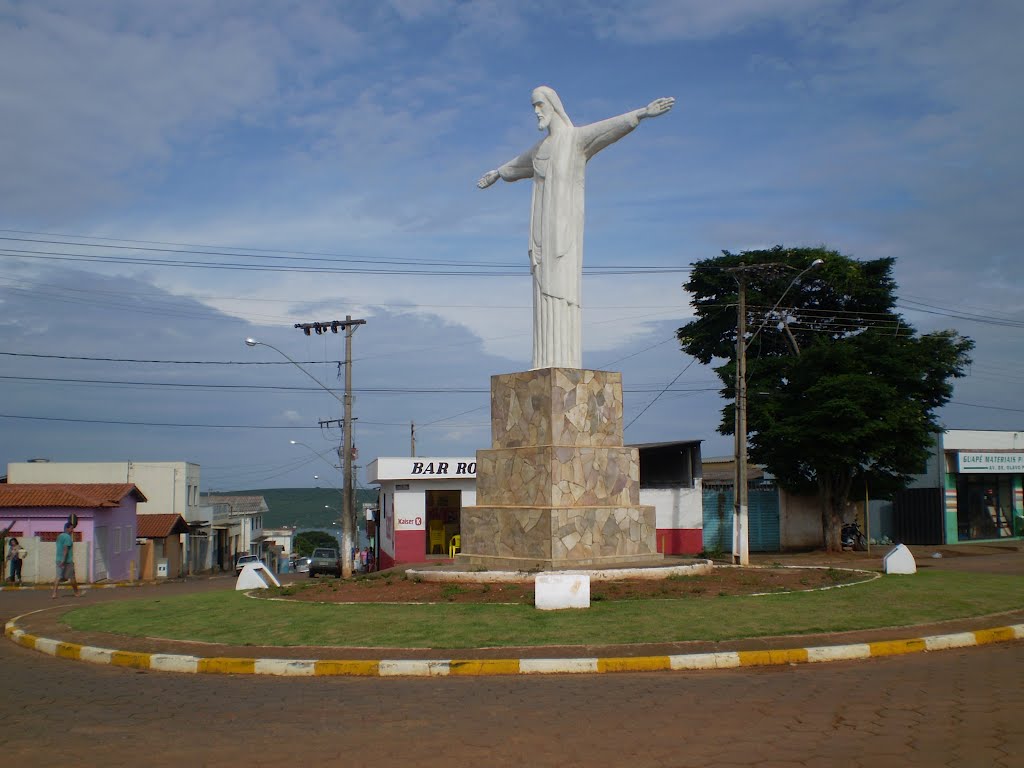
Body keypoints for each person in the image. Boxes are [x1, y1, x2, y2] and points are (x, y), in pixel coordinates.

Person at [478, 86, 674, 369]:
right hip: (541, 229)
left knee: (562, 288)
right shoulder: (541, 148)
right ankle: (544, 364)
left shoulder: (576, 139)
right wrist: (497, 173)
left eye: (540, 105)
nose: (536, 112)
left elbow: (609, 128)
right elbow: (518, 165)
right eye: (534, 106)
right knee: (542, 287)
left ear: (554, 105)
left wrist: (642, 113)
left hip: (564, 230)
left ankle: (563, 363)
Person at [52, 521, 82, 598]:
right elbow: (65, 549)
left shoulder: (59, 536)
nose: (72, 530)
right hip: (67, 561)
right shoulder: (67, 537)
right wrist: (63, 560)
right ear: (67, 528)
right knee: (72, 577)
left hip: (58, 559)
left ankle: (54, 593)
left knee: (58, 577)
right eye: (71, 528)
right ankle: (76, 592)